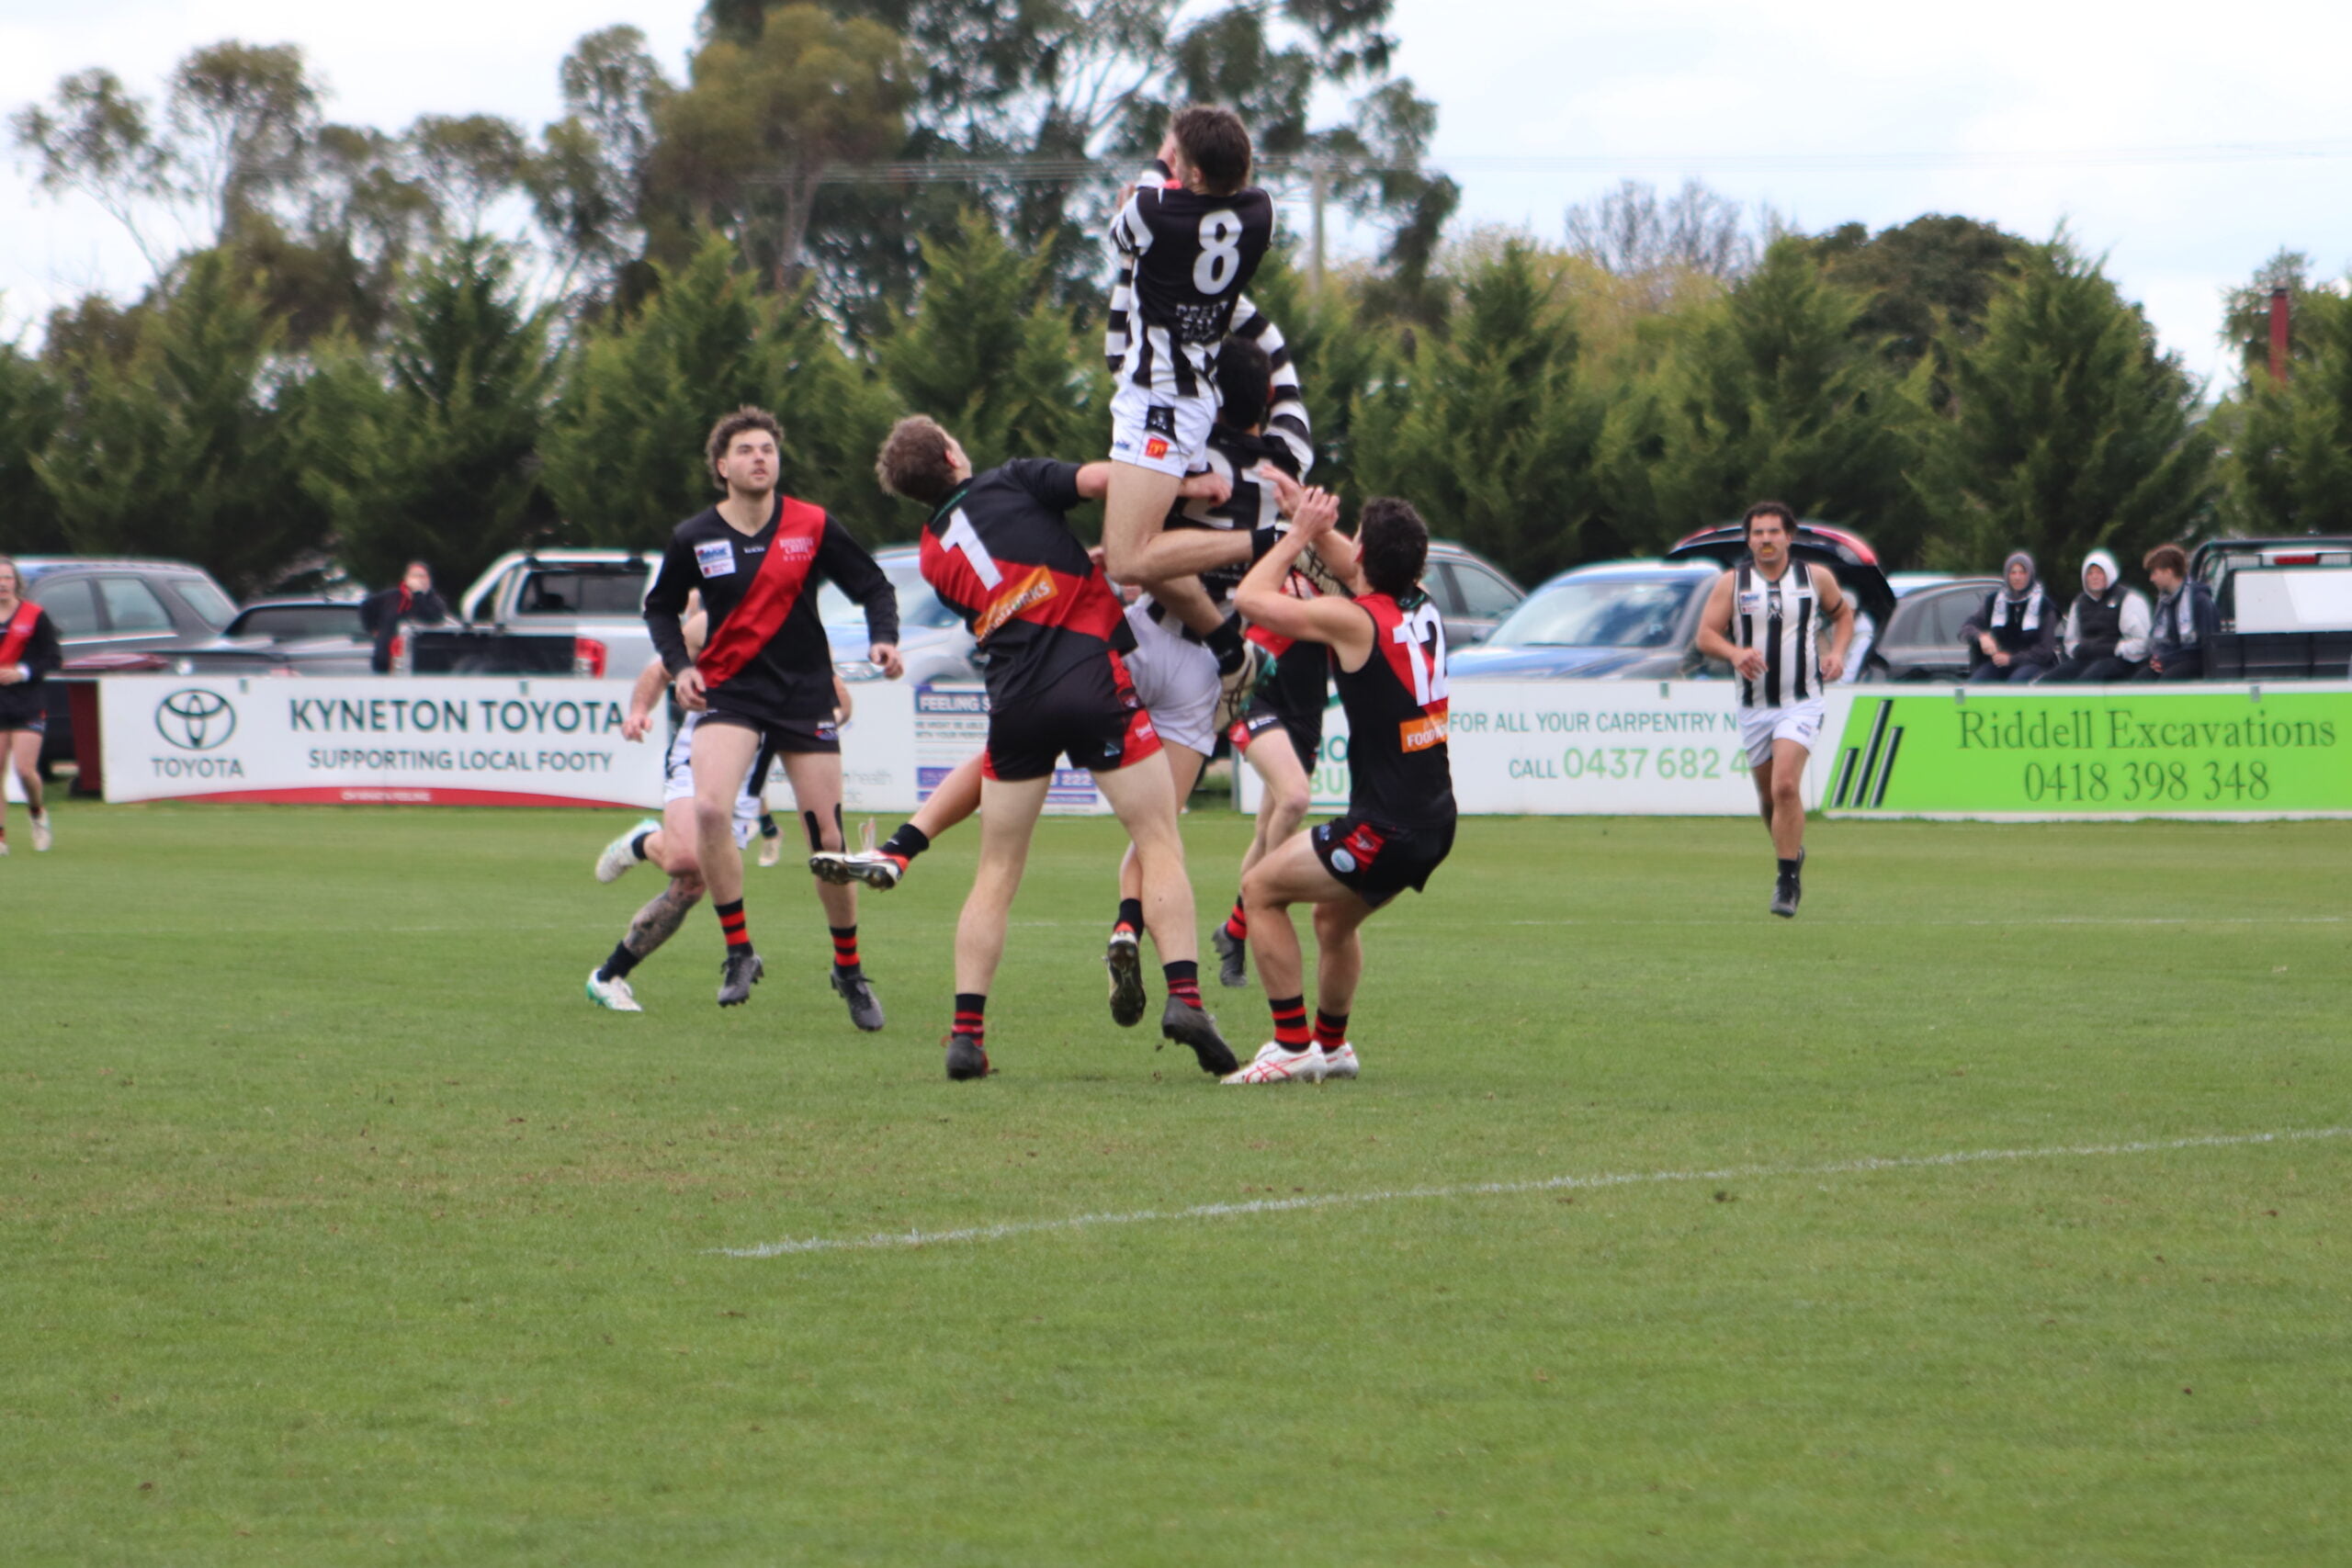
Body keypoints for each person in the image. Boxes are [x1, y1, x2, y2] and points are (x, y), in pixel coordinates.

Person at [873, 413, 1240, 1082]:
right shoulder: (1013, 479)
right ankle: (1185, 997)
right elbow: (1107, 480)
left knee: (996, 873)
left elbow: (1008, 592)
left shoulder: (930, 554)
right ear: (954, 450)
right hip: (1090, 675)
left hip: (1015, 701)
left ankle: (966, 1034)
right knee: (1158, 840)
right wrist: (1189, 484)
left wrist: (1075, 566)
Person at [642, 406, 902, 1016]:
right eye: (747, 450)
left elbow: (873, 586)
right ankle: (739, 951)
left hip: (804, 692)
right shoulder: (695, 536)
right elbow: (659, 609)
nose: (760, 457)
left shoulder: (811, 523)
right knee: (710, 809)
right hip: (731, 692)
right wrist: (682, 667)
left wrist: (883, 636)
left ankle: (849, 970)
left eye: (768, 449)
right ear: (721, 467)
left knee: (828, 843)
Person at [1103, 334, 1310, 1002]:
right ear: (1271, 399)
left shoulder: (1182, 456)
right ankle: (1131, 929)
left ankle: (1130, 930)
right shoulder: (1291, 462)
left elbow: (1137, 553)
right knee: (1160, 828)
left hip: (1142, 637)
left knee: (1027, 765)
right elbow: (1287, 380)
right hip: (1203, 668)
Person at [1221, 494, 1451, 1085]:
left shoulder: (1355, 620)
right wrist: (1316, 518)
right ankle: (1333, 1045)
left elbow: (1250, 600)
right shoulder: (1422, 607)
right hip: (1434, 821)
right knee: (1332, 921)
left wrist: (1296, 534)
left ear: (1365, 553)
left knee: (1259, 890)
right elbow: (1360, 566)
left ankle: (1292, 1045)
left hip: (1386, 826)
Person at [583, 597, 846, 1011]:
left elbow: (841, 703)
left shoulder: (805, 630)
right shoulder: (710, 623)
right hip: (698, 757)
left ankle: (609, 975)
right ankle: (647, 841)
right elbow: (659, 670)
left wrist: (812, 713)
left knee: (691, 885)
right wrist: (638, 712)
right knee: (684, 859)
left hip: (748, 782)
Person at [1099, 106, 1277, 618]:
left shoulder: (1152, 211)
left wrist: (1160, 160)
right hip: (1193, 392)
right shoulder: (1262, 212)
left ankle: (1271, 540)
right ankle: (1226, 650)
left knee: (1127, 558)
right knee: (1157, 546)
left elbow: (1123, 236)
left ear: (1192, 172)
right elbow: (1178, 197)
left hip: (1160, 399)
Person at [1210, 468, 1358, 990]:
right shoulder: (1264, 556)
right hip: (1256, 694)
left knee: (1270, 827)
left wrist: (1318, 532)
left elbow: (1356, 584)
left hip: (1305, 707)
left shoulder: (1322, 562)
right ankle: (1251, 910)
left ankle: (1234, 928)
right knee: (1295, 799)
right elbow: (1243, 606)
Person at [1693, 502, 1855, 919]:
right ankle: (1791, 854)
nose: (1766, 539)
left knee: (1786, 786)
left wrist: (1837, 653)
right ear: (1749, 539)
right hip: (1754, 707)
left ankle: (1787, 879)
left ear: (1789, 536)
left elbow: (1844, 616)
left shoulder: (1815, 578)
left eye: (1773, 532)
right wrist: (1734, 652)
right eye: (1758, 533)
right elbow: (1706, 635)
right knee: (1769, 799)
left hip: (1801, 701)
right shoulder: (1732, 583)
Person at [0, 557, 62, 854]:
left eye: (8, 578)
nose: (2, 584)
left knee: (25, 771)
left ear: (16, 582)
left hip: (27, 701)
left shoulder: (34, 616)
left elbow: (52, 658)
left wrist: (22, 671)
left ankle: (37, 813)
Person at [2039, 548, 2151, 682]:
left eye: (2099, 572)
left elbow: (2141, 641)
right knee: (2049, 681)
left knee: (2086, 682)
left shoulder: (2127, 598)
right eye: (2090, 573)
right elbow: (2070, 640)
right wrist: (2079, 650)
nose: (2095, 577)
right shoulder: (2079, 602)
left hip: (2118, 661)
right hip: (2086, 659)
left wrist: (2116, 649)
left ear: (2109, 574)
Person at [1962, 552, 2058, 682]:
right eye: (2013, 572)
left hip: (2032, 663)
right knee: (1975, 685)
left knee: (2013, 685)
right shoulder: (1993, 601)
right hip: (1999, 662)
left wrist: (2012, 659)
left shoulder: (2044, 605)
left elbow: (2045, 651)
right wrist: (1981, 636)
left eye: (2022, 572)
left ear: (2030, 574)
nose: (2017, 577)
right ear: (2007, 574)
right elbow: (1968, 627)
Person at [2138, 544, 2218, 682]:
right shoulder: (2165, 602)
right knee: (2141, 679)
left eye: (2154, 572)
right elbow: (2164, 642)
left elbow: (2207, 645)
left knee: (2167, 681)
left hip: (2197, 661)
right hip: (2172, 659)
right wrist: (2159, 658)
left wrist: (2167, 660)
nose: (2152, 579)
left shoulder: (2199, 600)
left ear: (2168, 572)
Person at [360, 561, 450, 674]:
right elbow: (367, 606)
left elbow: (432, 617)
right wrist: (373, 628)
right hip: (385, 660)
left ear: (429, 579)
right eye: (414, 576)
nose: (418, 580)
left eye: (422, 576)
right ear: (406, 578)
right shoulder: (391, 597)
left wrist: (418, 594)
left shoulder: (434, 601)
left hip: (418, 664)